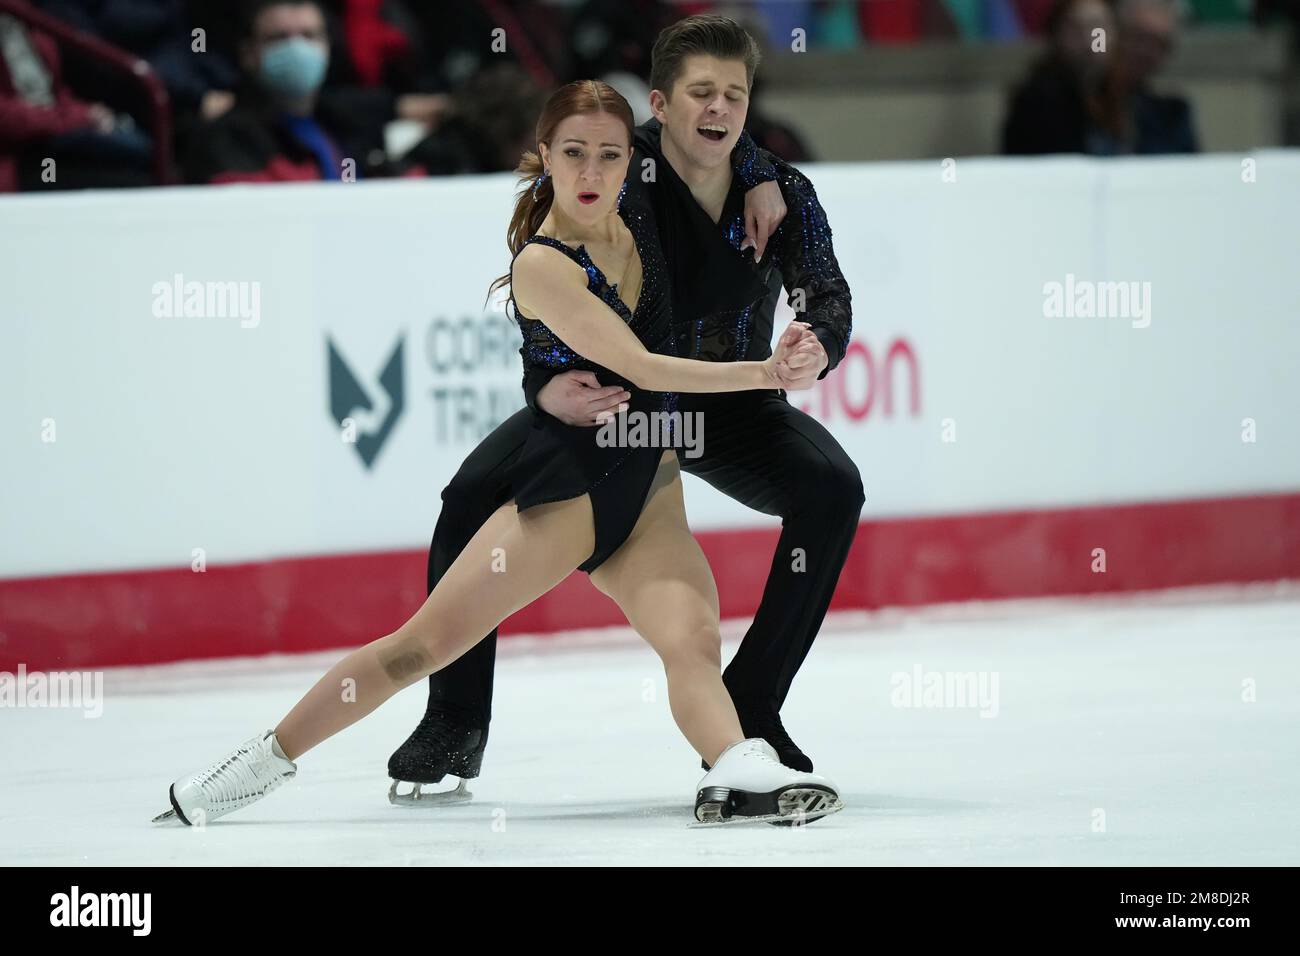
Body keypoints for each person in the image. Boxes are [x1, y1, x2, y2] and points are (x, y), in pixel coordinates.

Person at [154, 79, 843, 827]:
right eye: (574, 153)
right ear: (544, 155)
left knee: (692, 643)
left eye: (610, 156)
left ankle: (738, 769)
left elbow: (709, 153)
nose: (591, 172)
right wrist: (765, 375)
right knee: (419, 647)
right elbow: (642, 368)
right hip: (573, 487)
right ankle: (252, 767)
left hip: (649, 481)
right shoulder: (544, 263)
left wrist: (767, 175)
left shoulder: (642, 227)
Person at [389, 15, 860, 804]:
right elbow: (548, 282)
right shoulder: (618, 167)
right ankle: (456, 719)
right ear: (661, 105)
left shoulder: (781, 187)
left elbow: (824, 288)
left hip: (731, 403)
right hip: (629, 405)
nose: (718, 111)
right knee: (470, 497)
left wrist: (816, 336)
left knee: (832, 487)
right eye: (700, 94)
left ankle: (751, 705)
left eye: (734, 97)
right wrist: (542, 385)